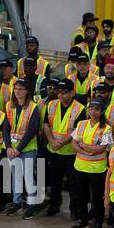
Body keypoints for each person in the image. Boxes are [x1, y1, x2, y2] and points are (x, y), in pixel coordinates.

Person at [69, 96, 112, 228]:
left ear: (102, 111)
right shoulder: (81, 124)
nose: (93, 112)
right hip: (80, 166)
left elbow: (101, 149)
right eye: (91, 108)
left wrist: (83, 145)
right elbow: (73, 143)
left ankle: (98, 224)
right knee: (80, 196)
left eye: (97, 109)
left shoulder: (106, 128)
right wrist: (85, 150)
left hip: (97, 168)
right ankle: (83, 220)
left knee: (97, 198)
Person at [43, 77, 84, 218]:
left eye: (64, 92)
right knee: (54, 181)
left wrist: (62, 142)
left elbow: (77, 131)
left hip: (70, 153)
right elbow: (46, 125)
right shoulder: (51, 105)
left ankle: (74, 209)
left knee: (73, 185)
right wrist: (52, 141)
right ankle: (54, 205)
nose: (60, 95)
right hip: (53, 150)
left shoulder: (80, 109)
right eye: (58, 91)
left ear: (72, 93)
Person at [4, 77, 42, 215]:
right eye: (16, 88)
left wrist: (18, 149)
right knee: (16, 176)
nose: (18, 91)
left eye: (21, 89)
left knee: (28, 177)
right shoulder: (9, 105)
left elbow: (32, 131)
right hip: (12, 149)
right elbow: (6, 128)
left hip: (28, 149)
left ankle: (32, 204)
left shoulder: (33, 107)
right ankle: (17, 202)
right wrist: (8, 147)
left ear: (27, 91)